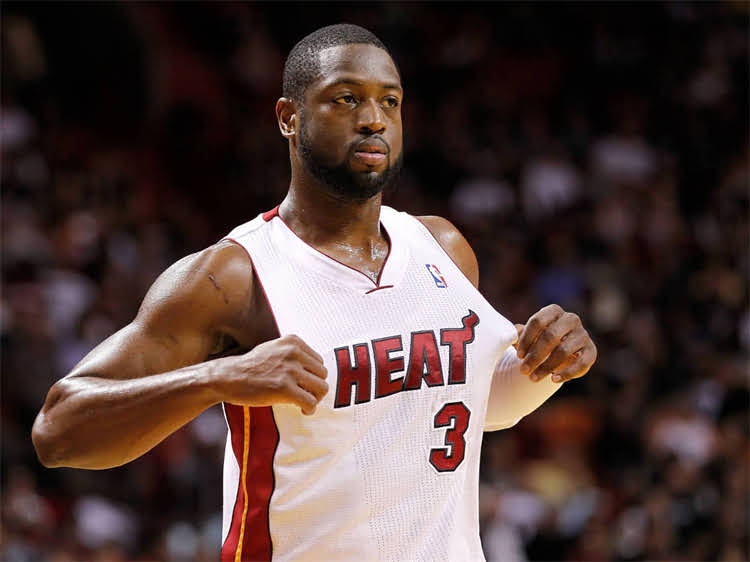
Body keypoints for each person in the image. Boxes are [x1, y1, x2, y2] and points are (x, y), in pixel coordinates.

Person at [32, 24, 597, 561]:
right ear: (289, 117)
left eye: (390, 102)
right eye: (346, 99)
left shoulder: (443, 247)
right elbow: (58, 431)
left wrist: (545, 365)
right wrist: (217, 379)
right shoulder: (233, 276)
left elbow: (466, 407)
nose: (373, 119)